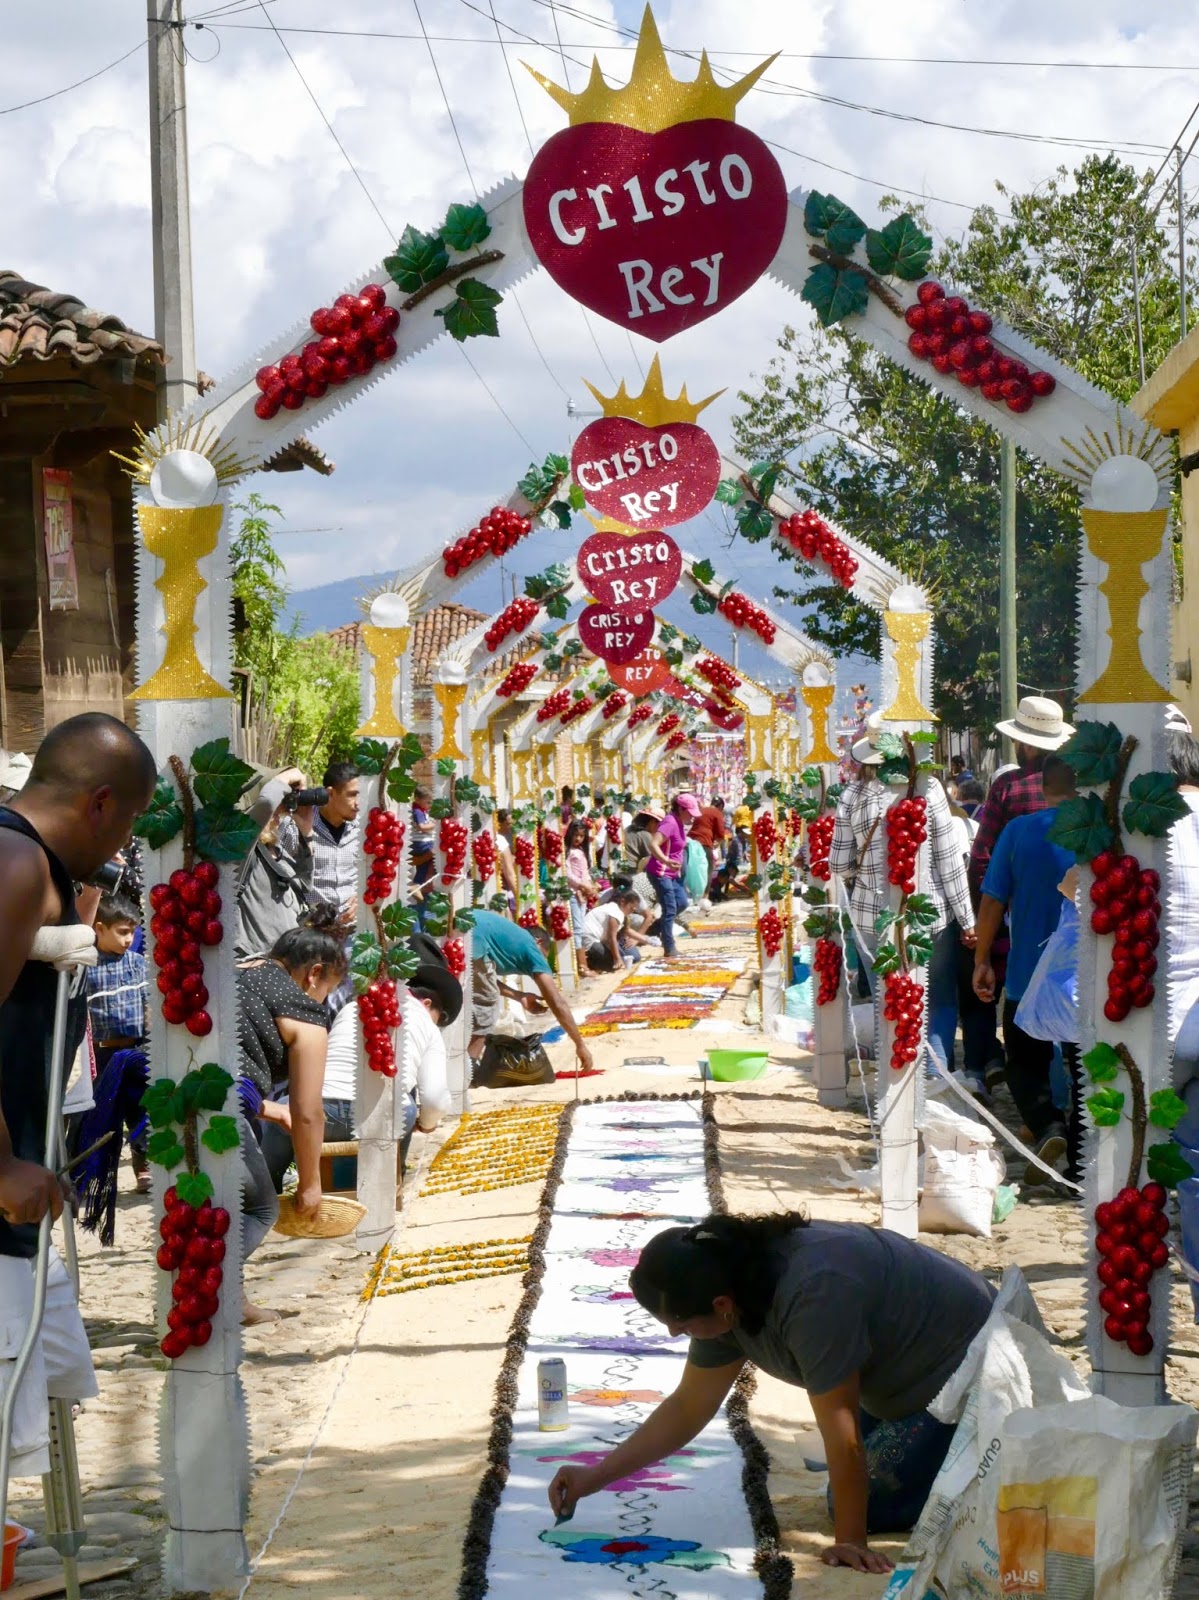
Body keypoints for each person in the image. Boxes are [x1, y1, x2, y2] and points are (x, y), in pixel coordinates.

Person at [547, 1212, 995, 1574]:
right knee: (856, 1486)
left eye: (680, 1324)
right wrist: (595, 1478)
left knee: (864, 1505)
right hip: (904, 1371)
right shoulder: (725, 1282)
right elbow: (688, 1407)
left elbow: (842, 1433)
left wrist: (850, 1543)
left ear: (721, 1307)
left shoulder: (812, 1295)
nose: (674, 1333)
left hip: (971, 1368)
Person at [0, 712, 156, 1477]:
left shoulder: (39, 869)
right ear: (98, 802)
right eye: (126, 821)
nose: (124, 843)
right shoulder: (14, 859)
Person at [828, 719, 975, 1056]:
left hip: (870, 916)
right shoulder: (930, 789)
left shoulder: (853, 793)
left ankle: (892, 1094)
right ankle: (935, 1080)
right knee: (936, 1002)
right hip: (929, 917)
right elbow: (949, 861)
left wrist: (865, 871)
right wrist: (967, 921)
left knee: (888, 1004)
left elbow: (838, 864)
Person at [237, 912, 346, 1319]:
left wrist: (265, 1108)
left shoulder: (242, 969)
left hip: (156, 1084)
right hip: (214, 1103)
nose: (324, 1001)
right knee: (257, 1206)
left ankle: (229, 1299)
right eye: (329, 990)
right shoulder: (302, 1008)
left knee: (216, 1203)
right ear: (314, 974)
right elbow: (308, 1112)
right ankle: (209, 1289)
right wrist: (311, 1183)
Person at [973, 755, 1077, 1177]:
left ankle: (1046, 1124)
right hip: (1082, 977)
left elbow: (993, 900)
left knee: (1023, 1063)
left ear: (1042, 788)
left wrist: (981, 959)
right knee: (1085, 1075)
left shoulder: (1018, 832)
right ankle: (1080, 1173)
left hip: (1027, 972)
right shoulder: (1100, 833)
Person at [966, 697, 1073, 1090]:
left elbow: (982, 860)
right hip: (1076, 916)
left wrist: (986, 926)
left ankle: (1041, 1110)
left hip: (1018, 916)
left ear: (1025, 744)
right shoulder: (1081, 792)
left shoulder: (1008, 788)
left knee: (1022, 1007)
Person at [468, 908, 595, 1080]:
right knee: (488, 1006)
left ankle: (462, 1061)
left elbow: (486, 980)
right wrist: (580, 1045)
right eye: (544, 956)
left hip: (460, 929)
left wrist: (519, 996)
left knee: (474, 999)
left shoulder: (511, 940)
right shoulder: (531, 948)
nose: (541, 963)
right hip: (472, 937)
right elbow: (557, 1002)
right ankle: (468, 1067)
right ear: (538, 941)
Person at [235, 767, 317, 958]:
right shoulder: (240, 852)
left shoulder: (276, 850)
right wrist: (286, 777)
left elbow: (305, 887)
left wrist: (306, 831)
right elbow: (266, 803)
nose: (281, 808)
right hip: (254, 971)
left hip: (285, 969)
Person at [646, 793, 701, 959]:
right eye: (689, 812)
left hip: (672, 874)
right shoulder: (669, 822)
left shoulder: (679, 822)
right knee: (670, 908)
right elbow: (653, 844)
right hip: (660, 872)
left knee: (682, 903)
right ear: (680, 809)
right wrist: (666, 860)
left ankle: (657, 927)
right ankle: (669, 947)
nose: (692, 817)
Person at [309, 760, 361, 915]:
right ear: (330, 793)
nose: (358, 803)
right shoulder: (300, 827)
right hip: (313, 928)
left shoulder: (362, 829)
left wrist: (360, 899)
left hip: (352, 930)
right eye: (352, 795)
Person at [582, 889, 649, 973]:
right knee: (612, 964)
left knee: (631, 957)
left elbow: (627, 930)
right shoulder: (616, 912)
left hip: (597, 939)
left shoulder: (616, 909)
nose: (632, 911)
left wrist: (648, 940)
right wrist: (617, 959)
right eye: (631, 907)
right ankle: (590, 963)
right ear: (622, 902)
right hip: (589, 940)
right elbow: (612, 938)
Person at [564, 819, 598, 948]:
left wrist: (589, 884)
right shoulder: (567, 851)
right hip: (573, 892)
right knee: (577, 927)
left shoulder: (581, 851)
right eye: (576, 835)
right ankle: (579, 958)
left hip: (583, 893)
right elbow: (567, 873)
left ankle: (582, 953)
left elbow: (585, 871)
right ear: (570, 834)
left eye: (582, 836)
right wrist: (582, 885)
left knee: (582, 925)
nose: (578, 838)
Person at [689, 795, 727, 893]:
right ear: (721, 807)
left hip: (691, 841)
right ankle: (705, 895)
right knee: (708, 869)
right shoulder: (717, 813)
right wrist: (717, 843)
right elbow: (721, 833)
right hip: (704, 842)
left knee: (693, 869)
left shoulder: (702, 810)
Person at [411, 785, 436, 889]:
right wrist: (435, 825)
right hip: (422, 844)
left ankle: (418, 883)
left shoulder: (422, 811)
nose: (430, 805)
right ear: (417, 799)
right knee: (439, 848)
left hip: (421, 844)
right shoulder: (418, 811)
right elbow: (421, 827)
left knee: (424, 866)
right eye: (428, 802)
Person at [493, 809, 519, 903]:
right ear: (499, 823)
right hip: (500, 892)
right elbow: (509, 873)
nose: (510, 827)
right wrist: (518, 897)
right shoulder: (500, 840)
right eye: (508, 823)